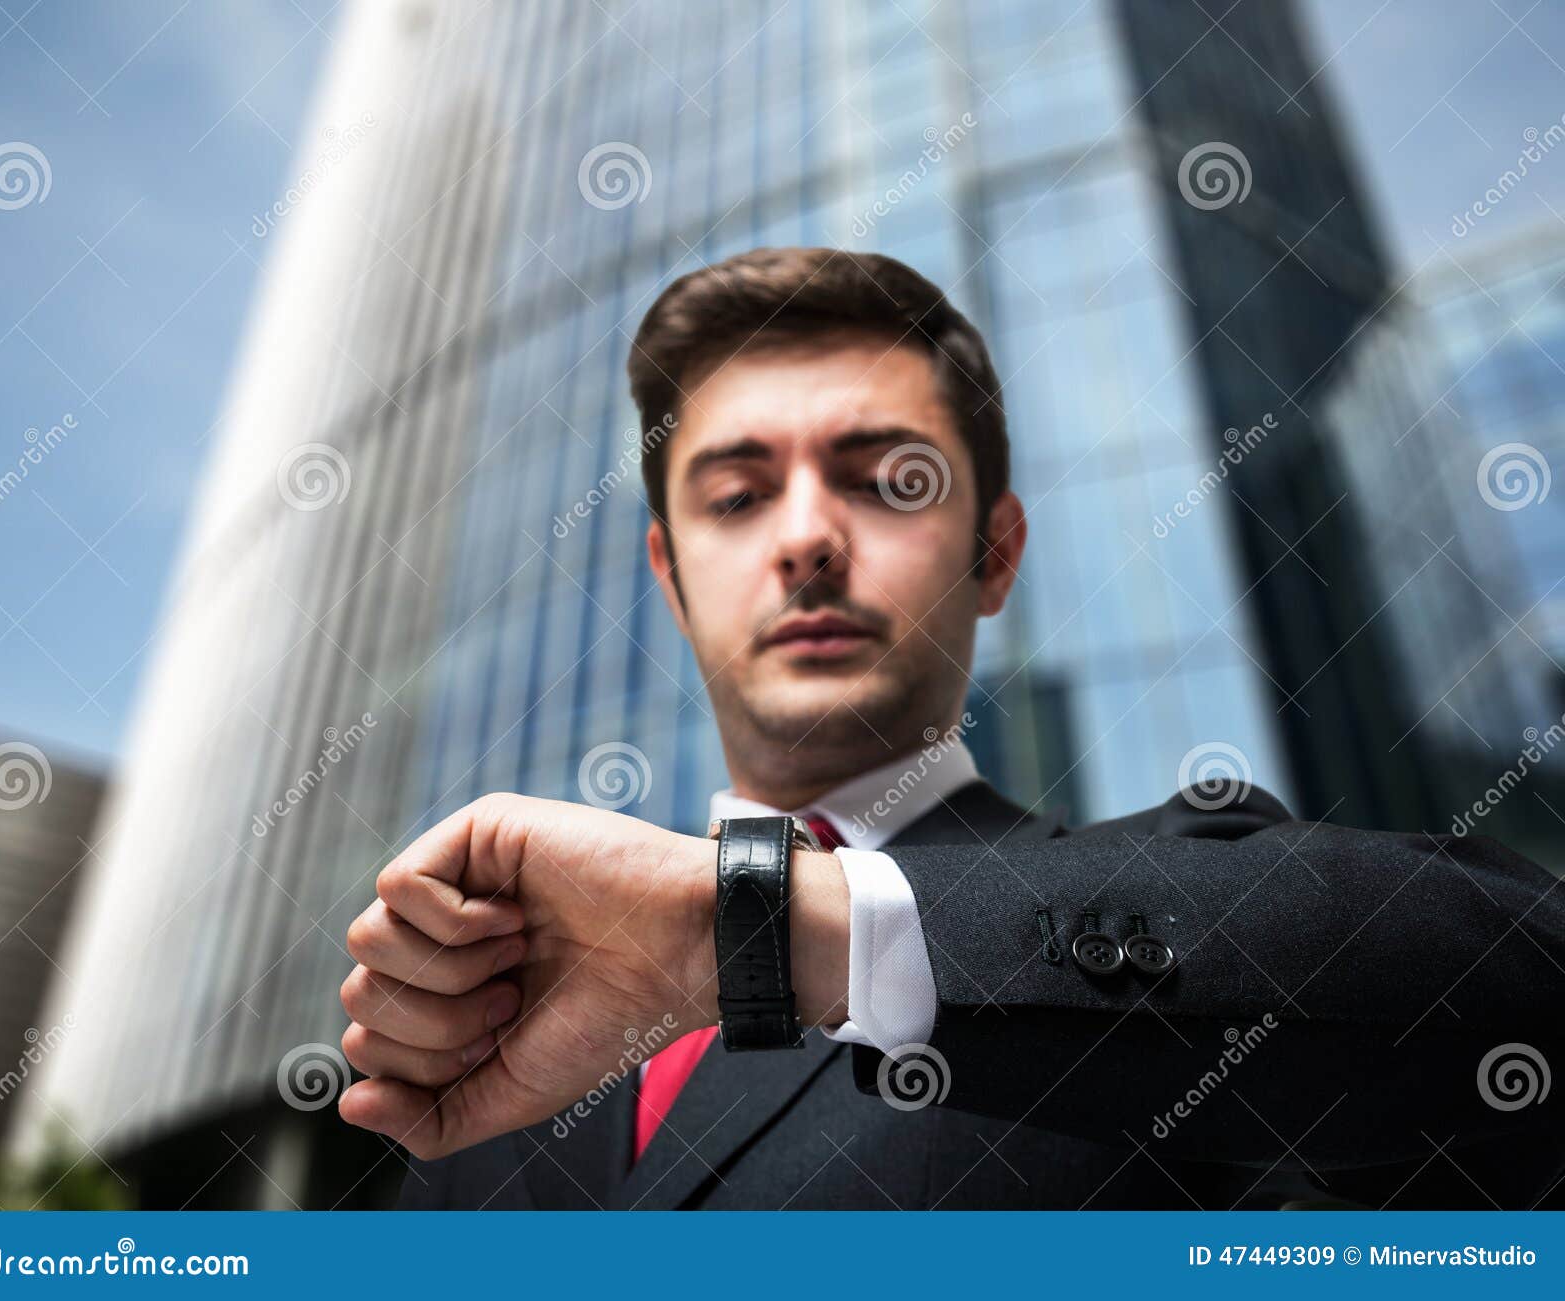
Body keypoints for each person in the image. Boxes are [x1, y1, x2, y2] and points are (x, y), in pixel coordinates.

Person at [336, 247, 1565, 1209]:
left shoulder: (1183, 879)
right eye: (738, 494)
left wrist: (769, 927)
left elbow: (1519, 991)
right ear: (670, 573)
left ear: (995, 552)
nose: (806, 538)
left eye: (890, 479)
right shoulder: (503, 1050)